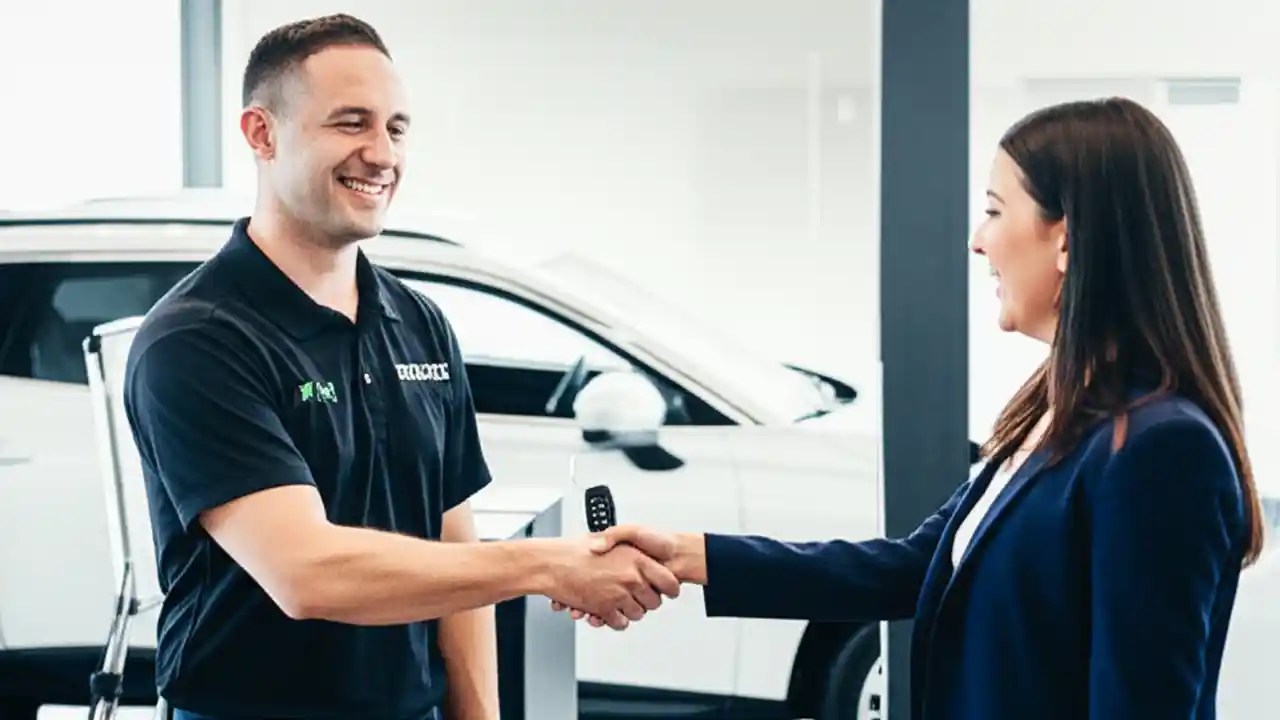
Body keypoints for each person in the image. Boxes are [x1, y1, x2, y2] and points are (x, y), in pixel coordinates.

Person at [556, 97, 1266, 720]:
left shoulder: (1161, 450)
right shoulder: (1061, 407)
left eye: (994, 211)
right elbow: (911, 565)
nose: (976, 241)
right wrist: (687, 555)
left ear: (1068, 236)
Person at [123, 14, 676, 720]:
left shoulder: (418, 324)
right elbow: (307, 574)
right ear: (262, 134)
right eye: (351, 123)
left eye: (397, 127)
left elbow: (455, 548)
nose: (381, 153)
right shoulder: (197, 341)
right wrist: (549, 565)